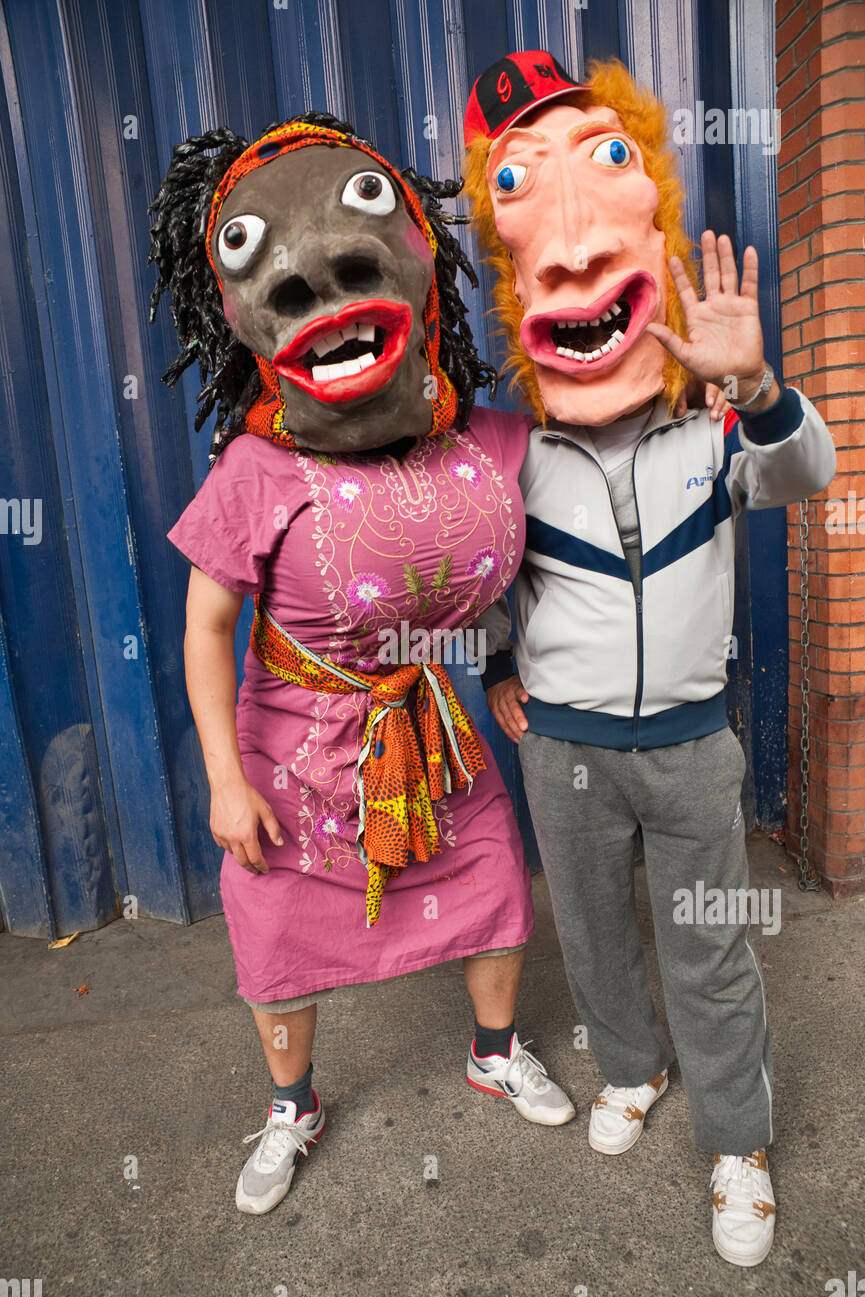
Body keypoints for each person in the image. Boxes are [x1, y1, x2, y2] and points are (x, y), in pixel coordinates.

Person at [149, 113, 574, 1216]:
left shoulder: (485, 439)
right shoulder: (251, 471)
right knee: (279, 927)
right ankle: (293, 1107)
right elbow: (205, 628)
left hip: (429, 725)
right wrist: (223, 779)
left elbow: (520, 549)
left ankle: (493, 1048)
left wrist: (704, 408)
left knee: (488, 879)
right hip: (294, 744)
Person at [463, 52, 836, 1266]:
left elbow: (806, 476)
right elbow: (477, 575)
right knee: (594, 937)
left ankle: (738, 1144)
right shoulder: (513, 451)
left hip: (687, 748)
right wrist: (494, 679)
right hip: (566, 749)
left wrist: (761, 381)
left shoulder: (714, 428)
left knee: (709, 940)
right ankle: (630, 1070)